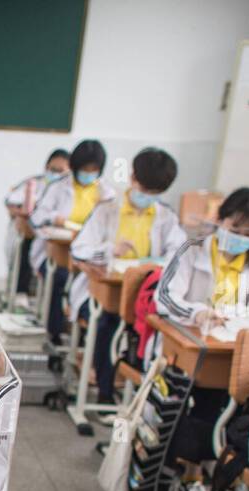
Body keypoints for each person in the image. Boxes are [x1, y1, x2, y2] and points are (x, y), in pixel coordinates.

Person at [155, 186, 249, 491]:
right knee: (204, 403)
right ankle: (191, 473)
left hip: (235, 349)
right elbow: (166, 297)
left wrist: (248, 319)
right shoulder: (193, 249)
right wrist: (197, 313)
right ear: (220, 219)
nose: (242, 237)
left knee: (244, 404)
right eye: (235, 228)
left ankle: (219, 467)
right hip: (192, 345)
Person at [69, 146, 185, 405]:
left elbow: (179, 255)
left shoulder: (166, 216)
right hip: (104, 292)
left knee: (156, 331)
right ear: (133, 178)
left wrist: (149, 264)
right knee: (108, 326)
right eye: (144, 189)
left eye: (154, 193)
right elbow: (80, 249)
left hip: (144, 295)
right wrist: (110, 250)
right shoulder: (107, 209)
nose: (147, 196)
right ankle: (105, 393)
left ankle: (142, 401)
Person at [27, 139, 115, 341]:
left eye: (93, 170)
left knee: (95, 293)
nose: (88, 174)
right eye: (84, 169)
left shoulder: (107, 195)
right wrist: (54, 218)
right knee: (60, 277)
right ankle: (54, 332)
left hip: (90, 258)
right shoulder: (58, 187)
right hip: (56, 252)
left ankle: (83, 338)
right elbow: (36, 218)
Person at [3, 148, 69, 309]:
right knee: (26, 245)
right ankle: (21, 291)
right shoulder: (34, 183)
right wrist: (23, 212)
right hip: (31, 233)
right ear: (46, 167)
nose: (55, 174)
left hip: (56, 237)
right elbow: (10, 201)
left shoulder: (67, 191)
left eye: (61, 171)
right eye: (53, 169)